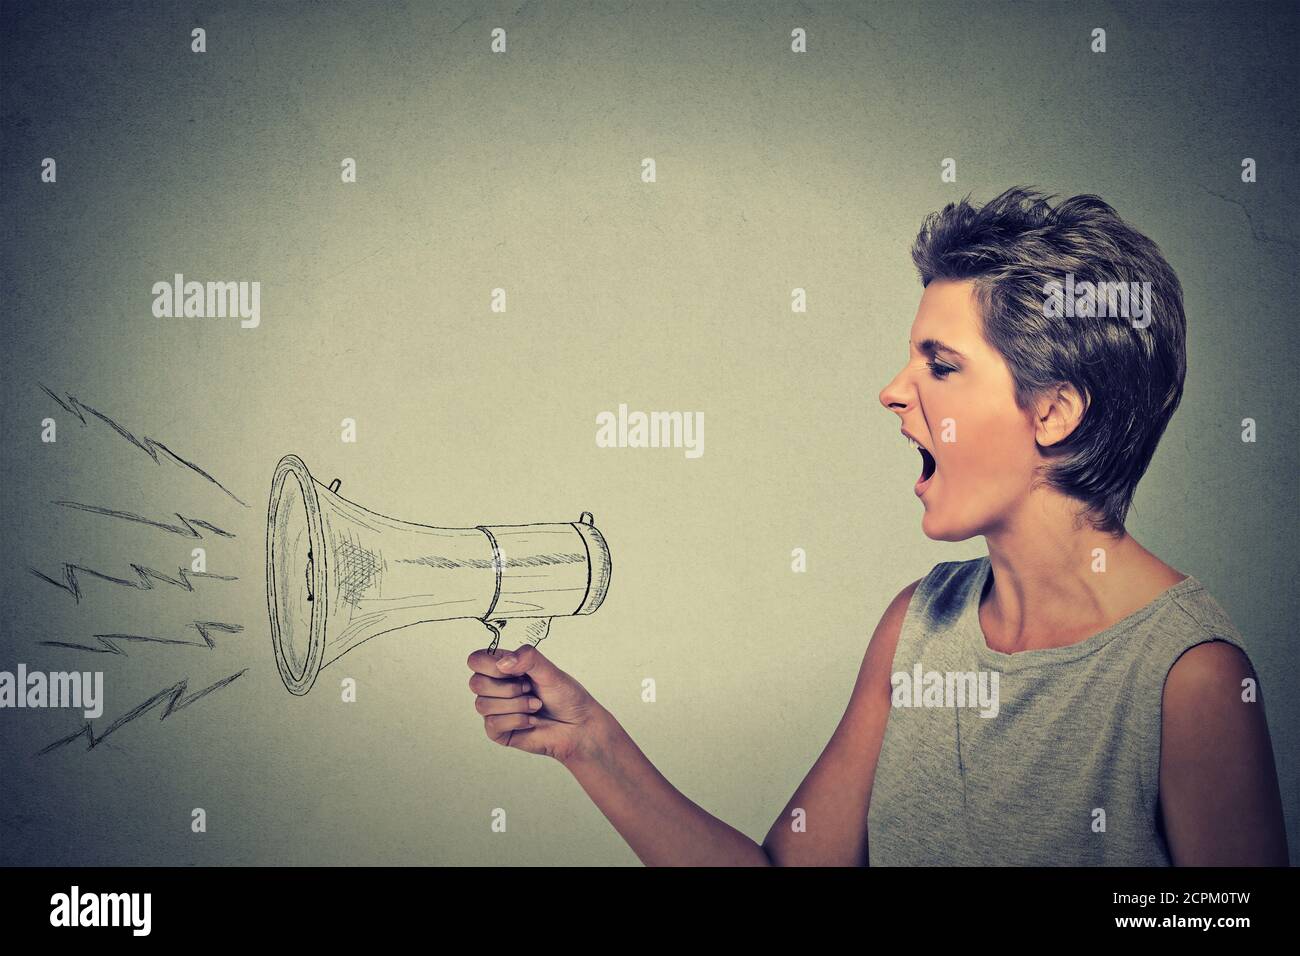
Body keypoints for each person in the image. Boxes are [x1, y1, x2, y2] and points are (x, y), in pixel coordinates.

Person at [466, 187, 1289, 866]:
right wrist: (590, 743)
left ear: (1053, 411)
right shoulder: (917, 627)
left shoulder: (1191, 677)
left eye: (941, 364)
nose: (894, 391)